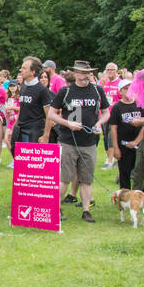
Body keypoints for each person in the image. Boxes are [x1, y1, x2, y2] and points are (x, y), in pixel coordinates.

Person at [47, 60, 110, 223]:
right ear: (74, 73)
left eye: (87, 72)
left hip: (89, 141)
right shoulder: (65, 91)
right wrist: (68, 123)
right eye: (81, 72)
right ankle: (56, 208)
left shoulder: (97, 91)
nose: (85, 76)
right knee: (65, 178)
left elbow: (106, 112)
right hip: (68, 141)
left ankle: (86, 210)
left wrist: (99, 123)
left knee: (87, 178)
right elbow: (51, 114)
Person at [107, 79, 144, 191]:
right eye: (126, 89)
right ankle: (125, 196)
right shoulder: (117, 108)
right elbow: (113, 128)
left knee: (141, 171)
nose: (129, 91)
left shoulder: (139, 105)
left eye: (131, 88)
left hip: (138, 143)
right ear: (120, 91)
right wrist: (115, 148)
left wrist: (136, 141)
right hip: (123, 144)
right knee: (124, 172)